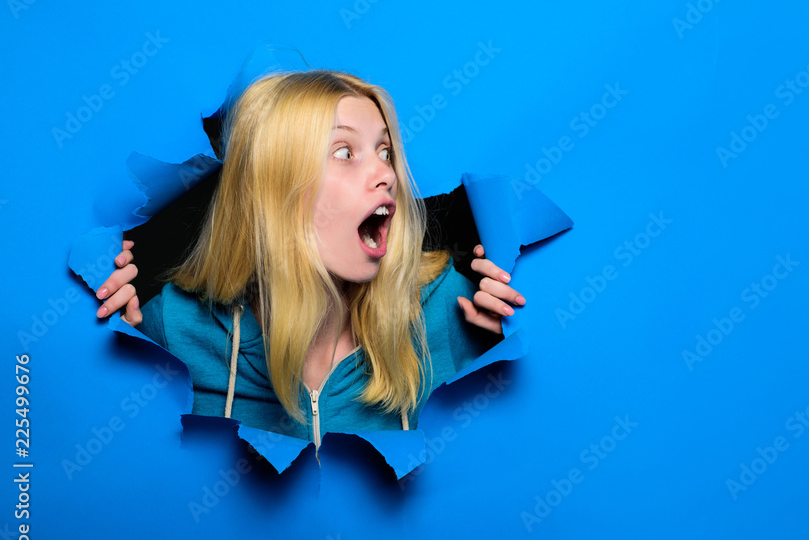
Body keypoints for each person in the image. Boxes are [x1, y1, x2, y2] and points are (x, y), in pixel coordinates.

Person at [92, 70, 524, 447]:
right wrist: (124, 355)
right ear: (274, 189)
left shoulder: (453, 311)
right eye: (345, 152)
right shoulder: (174, 324)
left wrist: (491, 361)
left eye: (385, 152)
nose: (387, 175)